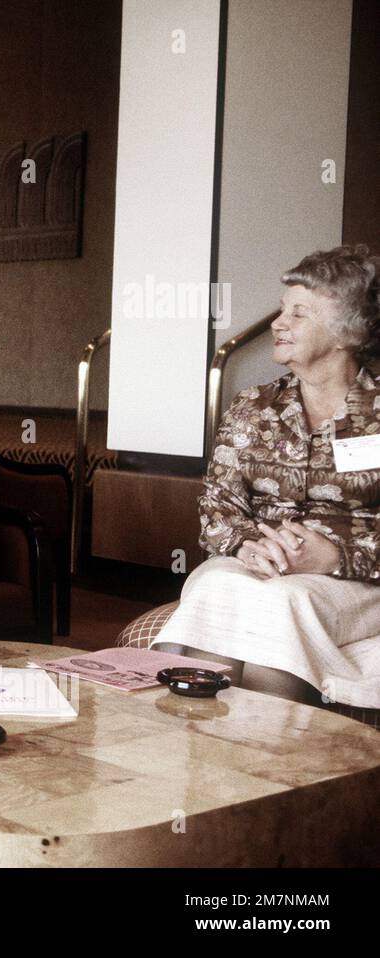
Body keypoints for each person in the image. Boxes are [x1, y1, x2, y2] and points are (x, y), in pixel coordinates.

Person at [153, 245, 380, 712]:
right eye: (282, 310)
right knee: (217, 586)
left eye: (299, 313)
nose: (278, 323)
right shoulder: (253, 407)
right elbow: (217, 507)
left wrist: (335, 556)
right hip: (256, 565)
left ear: (348, 331)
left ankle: (267, 764)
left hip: (357, 582)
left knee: (281, 603)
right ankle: (201, 752)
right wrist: (247, 546)